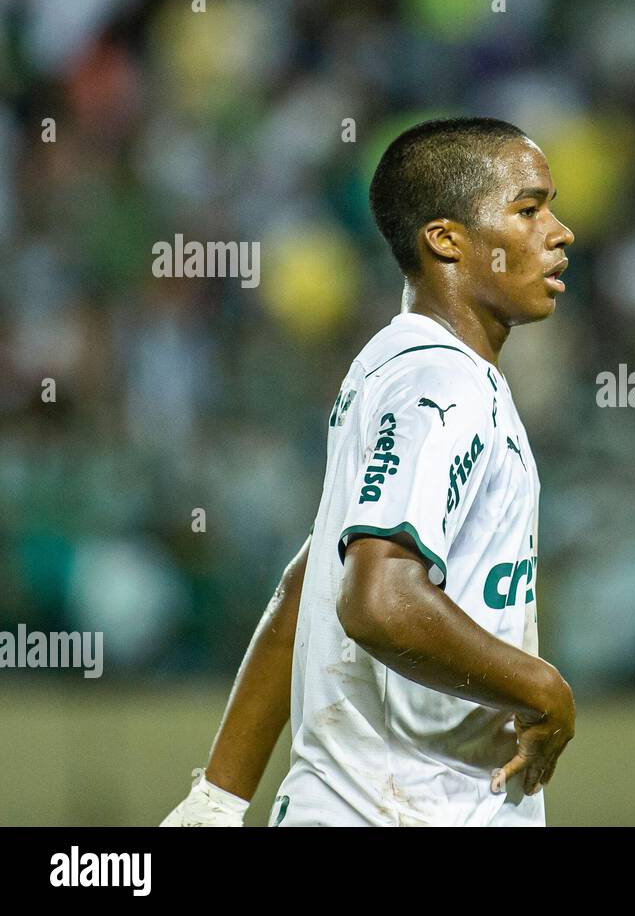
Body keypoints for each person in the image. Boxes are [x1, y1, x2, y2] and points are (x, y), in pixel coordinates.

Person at [162, 117, 577, 826]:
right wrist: (541, 687)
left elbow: (309, 589)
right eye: (528, 209)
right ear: (445, 240)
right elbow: (377, 600)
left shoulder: (396, 365)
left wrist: (217, 799)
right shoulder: (441, 386)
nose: (559, 232)